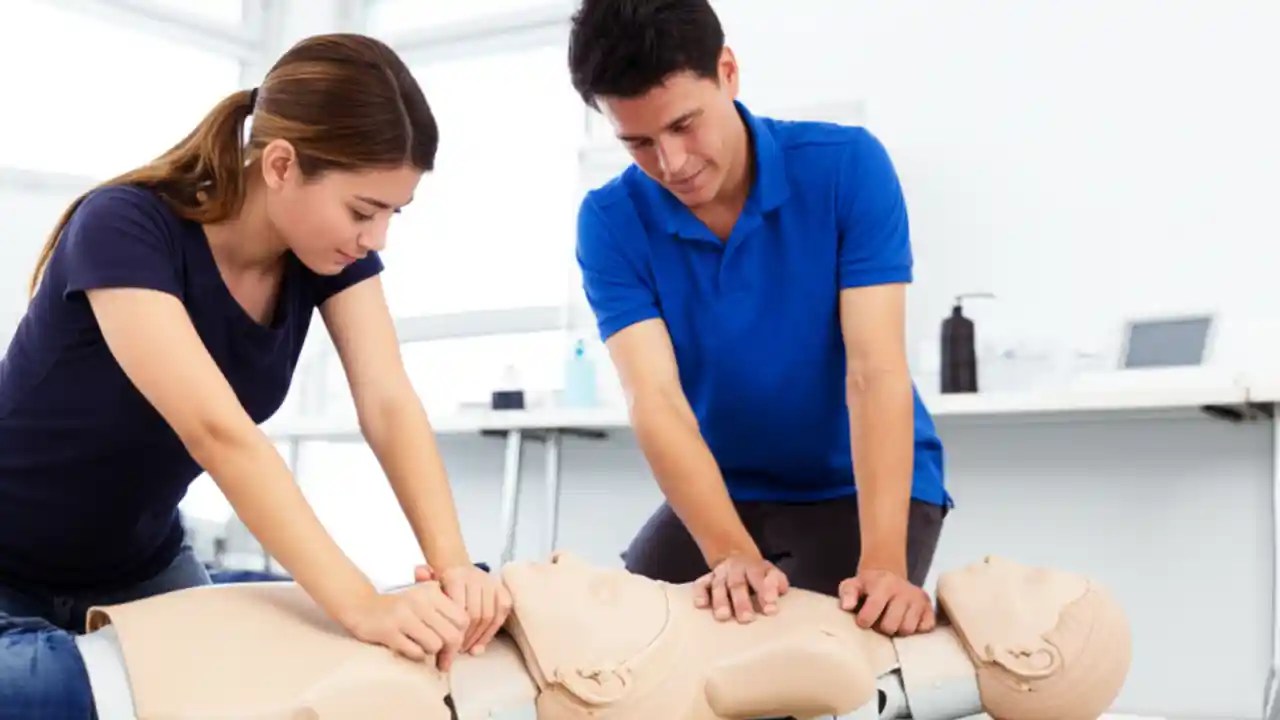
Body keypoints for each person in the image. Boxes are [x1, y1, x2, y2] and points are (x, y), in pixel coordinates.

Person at [0, 32, 510, 671]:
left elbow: (386, 401)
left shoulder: (323, 253)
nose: (374, 238)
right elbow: (218, 433)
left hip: (137, 566)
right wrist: (361, 604)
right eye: (363, 210)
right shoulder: (122, 227)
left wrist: (453, 566)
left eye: (393, 215)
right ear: (280, 165)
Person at [566, 0, 951, 637]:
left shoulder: (846, 167)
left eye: (684, 125)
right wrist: (729, 553)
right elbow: (655, 398)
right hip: (730, 485)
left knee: (805, 656)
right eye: (637, 142)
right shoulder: (609, 221)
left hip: (856, 483)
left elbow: (874, 371)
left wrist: (885, 564)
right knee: (630, 646)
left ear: (727, 71)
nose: (671, 164)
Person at [0, 552, 1132, 719]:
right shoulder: (837, 629)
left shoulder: (828, 662)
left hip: (138, 686)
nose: (994, 563)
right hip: (213, 648)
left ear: (1026, 658)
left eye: (1034, 583)